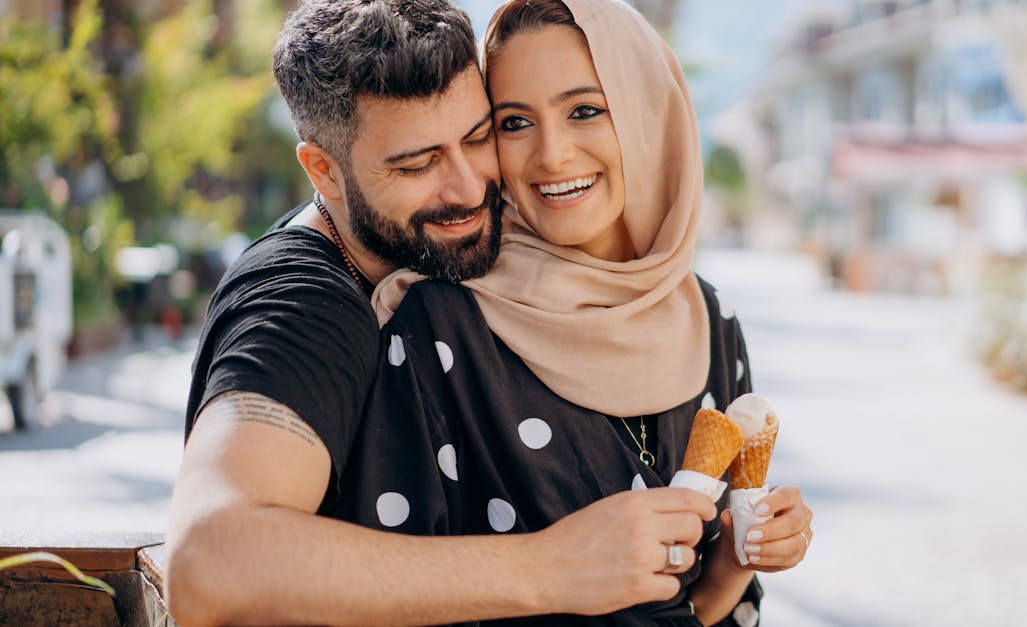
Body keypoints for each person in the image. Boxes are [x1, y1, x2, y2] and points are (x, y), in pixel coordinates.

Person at [166, 2, 720, 625]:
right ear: (324, 171)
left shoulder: (499, 263)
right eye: (417, 164)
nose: (467, 188)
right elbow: (205, 566)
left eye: (480, 137)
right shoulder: (303, 303)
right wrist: (552, 567)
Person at [368, 0, 814, 624]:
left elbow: (695, 610)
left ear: (647, 116)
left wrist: (747, 554)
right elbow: (388, 592)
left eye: (585, 111)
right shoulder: (442, 328)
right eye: (515, 123)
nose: (551, 156)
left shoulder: (710, 319)